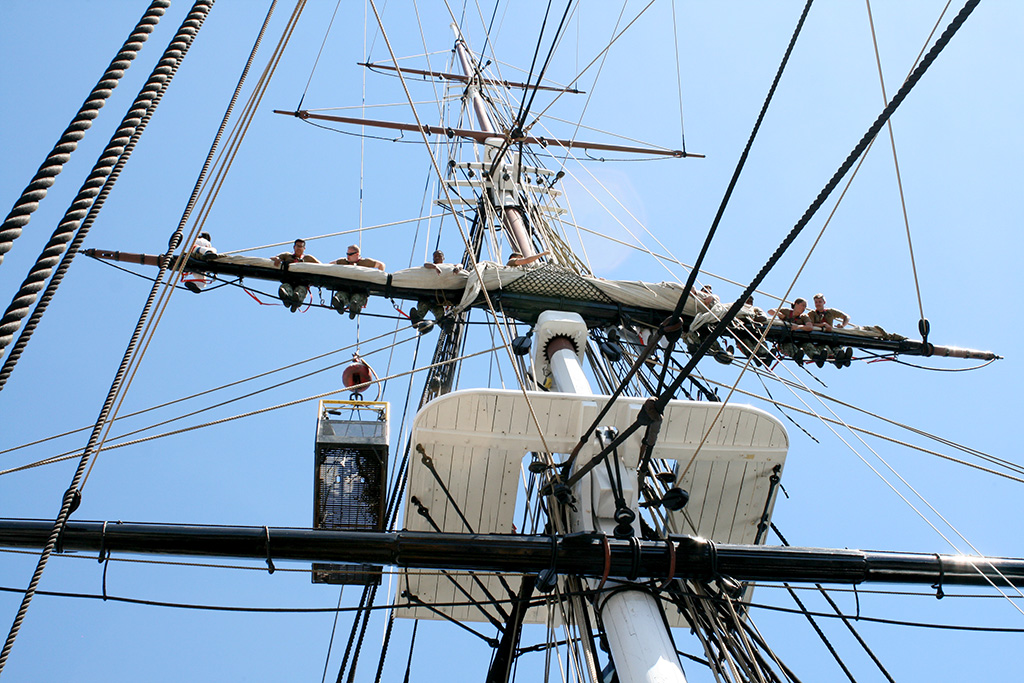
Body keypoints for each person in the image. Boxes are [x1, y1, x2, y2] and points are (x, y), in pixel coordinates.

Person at [329, 245, 384, 318]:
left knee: (357, 298)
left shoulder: (365, 262)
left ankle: (354, 307)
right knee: (341, 295)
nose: (348, 256)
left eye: (350, 254)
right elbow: (329, 265)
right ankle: (339, 303)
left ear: (357, 254)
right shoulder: (343, 261)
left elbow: (381, 265)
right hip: (346, 287)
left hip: (361, 288)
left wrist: (377, 278)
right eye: (347, 254)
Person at [271, 239, 319, 312]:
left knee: (300, 291)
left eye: (301, 246)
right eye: (297, 246)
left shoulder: (308, 258)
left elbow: (321, 266)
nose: (299, 248)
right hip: (289, 281)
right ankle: (286, 298)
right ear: (294, 247)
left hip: (302, 283)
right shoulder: (287, 256)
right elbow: (273, 258)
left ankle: (296, 301)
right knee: (284, 288)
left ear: (304, 248)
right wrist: (277, 259)